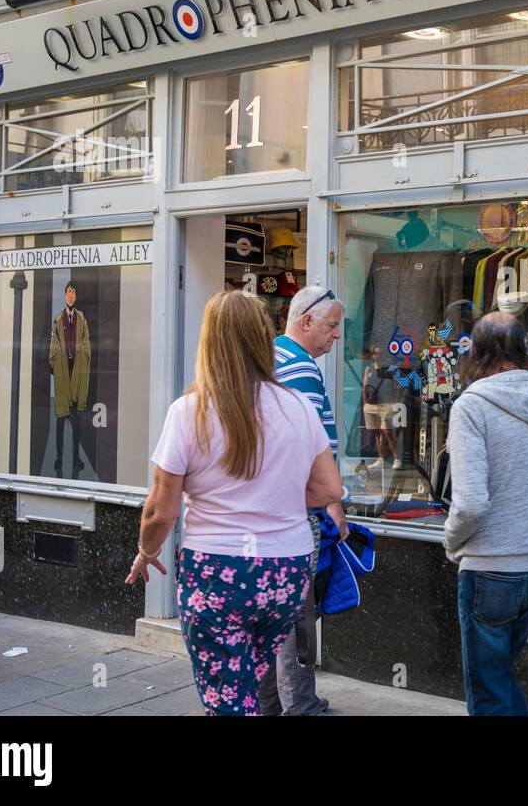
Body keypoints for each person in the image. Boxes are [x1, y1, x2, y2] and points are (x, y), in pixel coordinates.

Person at [126, 291, 340, 716]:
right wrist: (277, 497)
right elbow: (328, 490)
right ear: (265, 339)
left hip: (218, 573)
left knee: (228, 698)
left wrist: (146, 551)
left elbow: (160, 510)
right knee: (249, 683)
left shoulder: (190, 411)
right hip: (285, 571)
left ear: (210, 342)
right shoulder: (298, 405)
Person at [444, 312, 528, 716]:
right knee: (499, 681)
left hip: (488, 566)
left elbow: (469, 502)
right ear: (521, 351)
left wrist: (451, 541)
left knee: (488, 693)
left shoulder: (471, 407)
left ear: (477, 352)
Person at [261, 285, 350, 716]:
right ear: (306, 320)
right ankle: (301, 705)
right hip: (297, 512)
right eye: (332, 326)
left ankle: (272, 702)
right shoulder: (299, 368)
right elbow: (311, 452)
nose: (336, 336)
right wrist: (333, 504)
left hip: (274, 509)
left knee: (275, 608)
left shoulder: (273, 356)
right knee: (296, 612)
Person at [48, 281, 91, 479]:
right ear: (65, 296)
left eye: (74, 292)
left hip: (78, 371)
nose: (71, 295)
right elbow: (53, 345)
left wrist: (82, 355)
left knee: (77, 421)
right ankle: (58, 457)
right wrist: (56, 360)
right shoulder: (58, 320)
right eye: (68, 292)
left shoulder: (82, 318)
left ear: (76, 295)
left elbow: (86, 341)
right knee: (60, 417)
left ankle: (75, 458)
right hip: (64, 371)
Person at [361, 346, 400, 470]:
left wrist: (395, 402)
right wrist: (365, 404)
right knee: (376, 432)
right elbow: (364, 387)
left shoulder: (390, 369)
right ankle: (381, 458)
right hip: (372, 405)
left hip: (386, 404)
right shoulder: (369, 369)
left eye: (380, 354)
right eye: (376, 354)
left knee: (387, 431)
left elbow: (398, 387)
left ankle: (396, 458)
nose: (378, 356)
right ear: (372, 356)